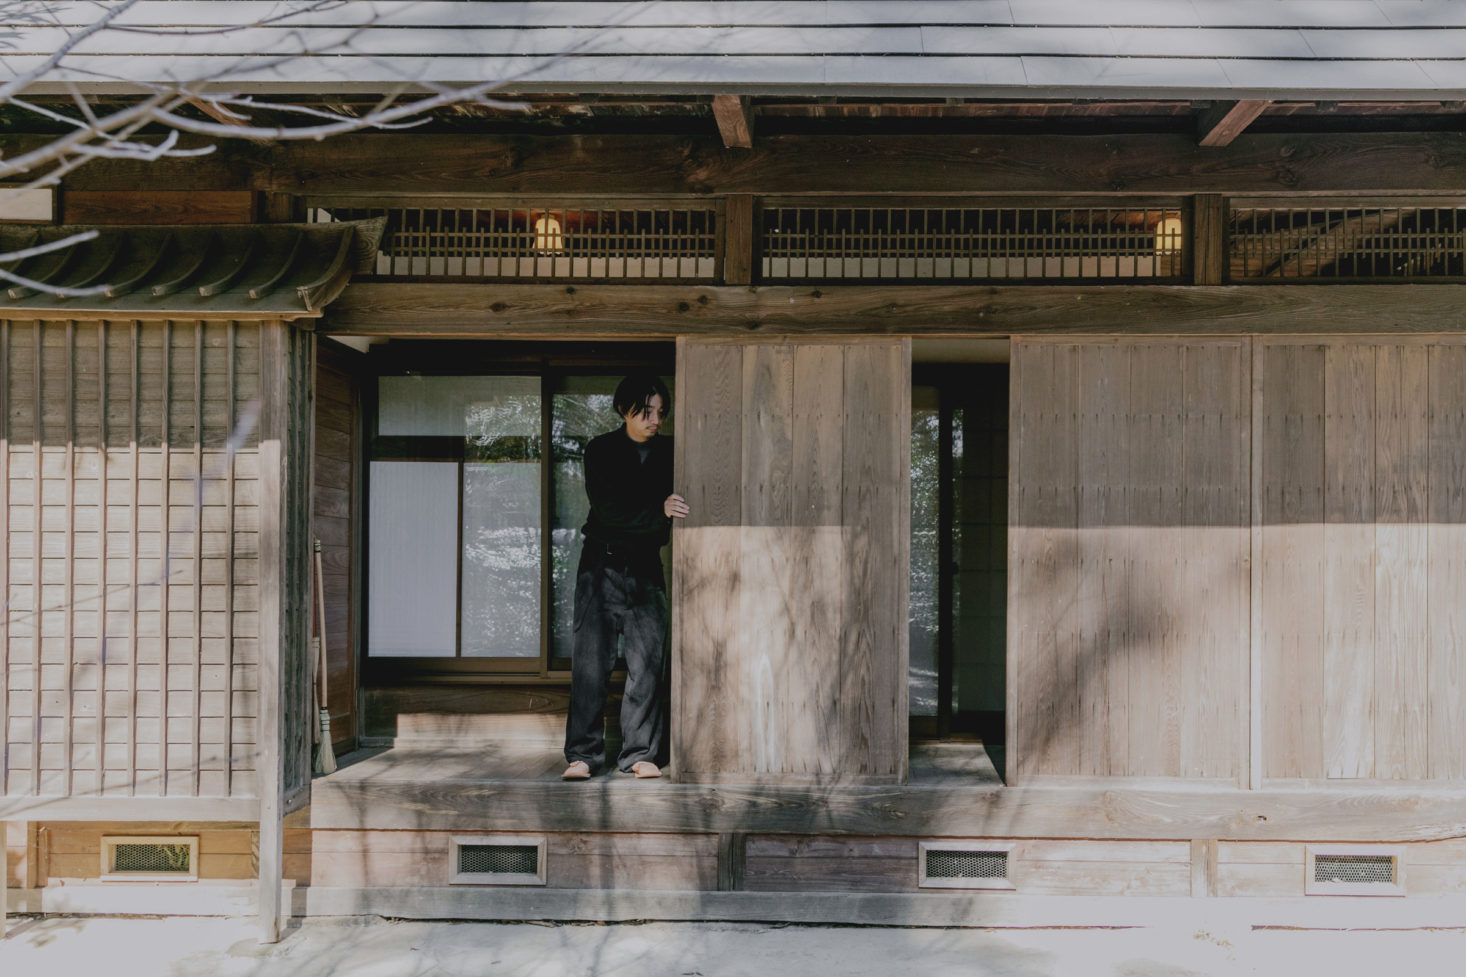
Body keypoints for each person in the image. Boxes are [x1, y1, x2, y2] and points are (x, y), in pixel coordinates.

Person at [562, 374, 688, 780]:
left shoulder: (672, 453)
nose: (655, 421)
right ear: (624, 410)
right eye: (646, 411)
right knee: (590, 664)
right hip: (601, 566)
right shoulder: (601, 450)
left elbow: (659, 525)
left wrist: (652, 521)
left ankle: (640, 754)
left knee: (647, 664)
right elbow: (608, 511)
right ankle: (583, 756)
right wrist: (657, 512)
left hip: (646, 568)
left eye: (661, 413)